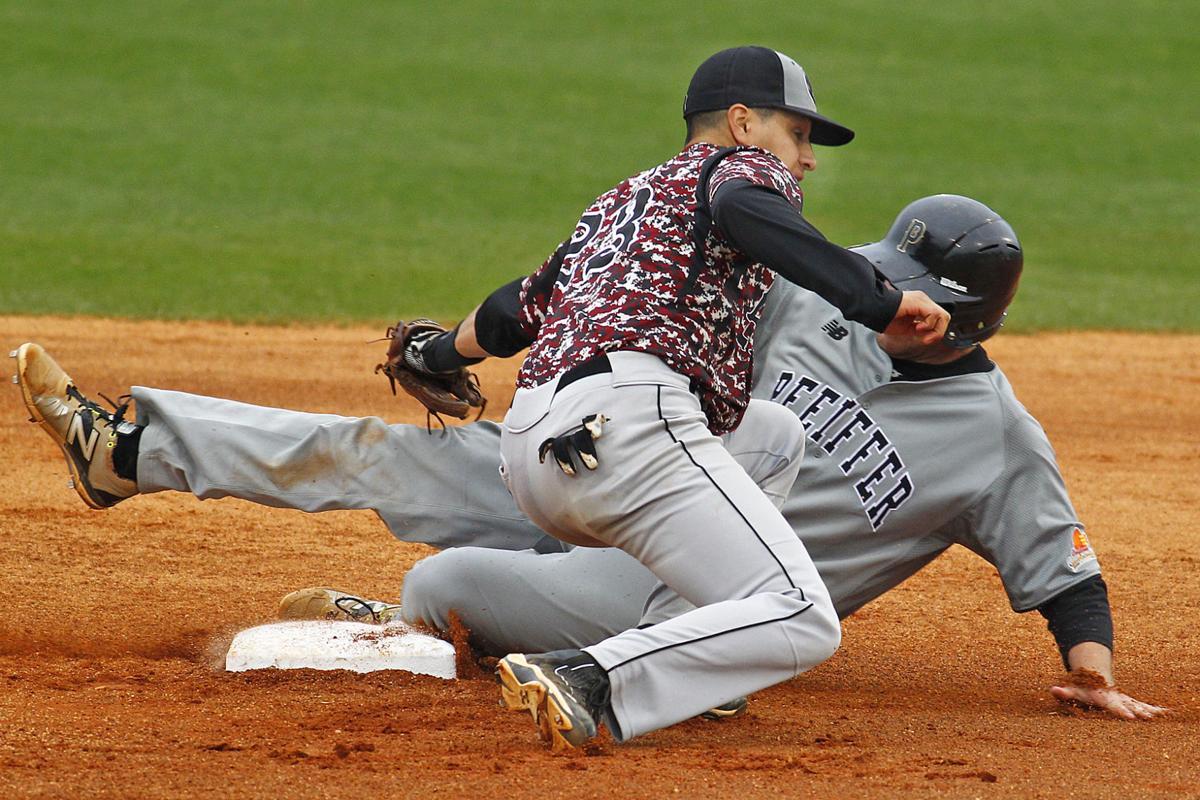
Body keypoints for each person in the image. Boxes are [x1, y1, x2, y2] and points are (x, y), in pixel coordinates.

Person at [13, 45, 951, 751]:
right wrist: (878, 303)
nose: (806, 159)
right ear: (743, 123)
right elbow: (751, 210)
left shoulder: (622, 204)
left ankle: (682, 652)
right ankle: (597, 679)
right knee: (800, 613)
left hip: (539, 447)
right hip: (633, 432)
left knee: (769, 432)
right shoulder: (741, 175)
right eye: (798, 135)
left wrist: (434, 349)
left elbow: (513, 311)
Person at [11, 196, 1163, 740]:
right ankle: (132, 449)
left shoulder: (996, 437)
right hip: (621, 470)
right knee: (389, 454)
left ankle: (434, 631)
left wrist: (1091, 667)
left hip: (677, 586)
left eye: (913, 301)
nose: (886, 305)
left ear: (969, 321)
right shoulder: (822, 300)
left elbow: (1065, 570)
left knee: (440, 584)